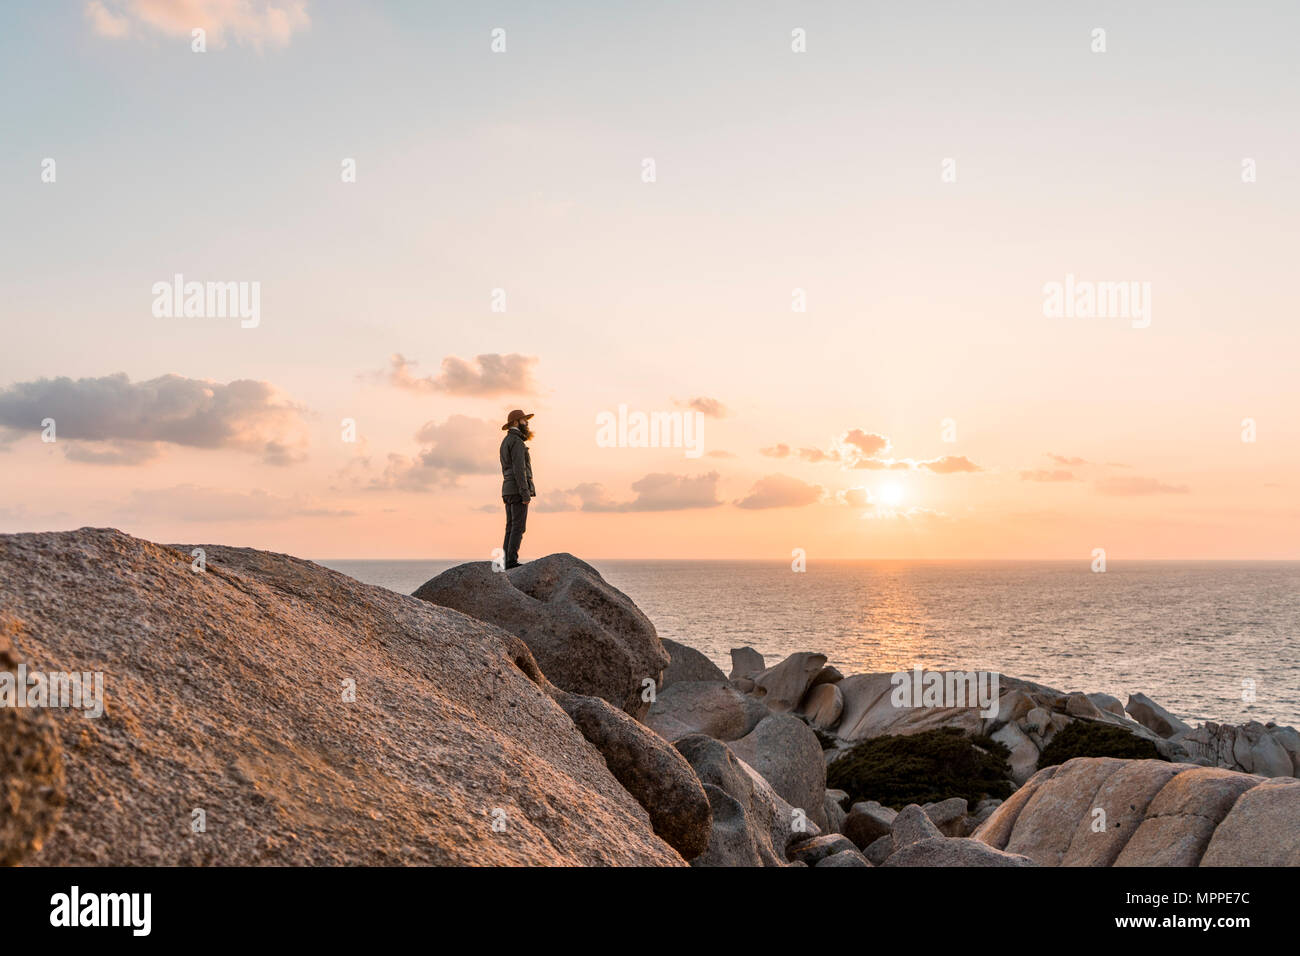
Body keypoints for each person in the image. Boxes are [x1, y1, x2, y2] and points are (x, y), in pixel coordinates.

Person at [499, 409, 535, 569]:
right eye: (524, 420)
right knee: (518, 527)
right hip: (517, 489)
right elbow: (520, 469)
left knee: (510, 526)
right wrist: (525, 492)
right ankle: (511, 562)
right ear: (515, 422)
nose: (526, 423)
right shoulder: (517, 442)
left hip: (507, 489)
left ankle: (506, 561)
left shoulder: (506, 441)